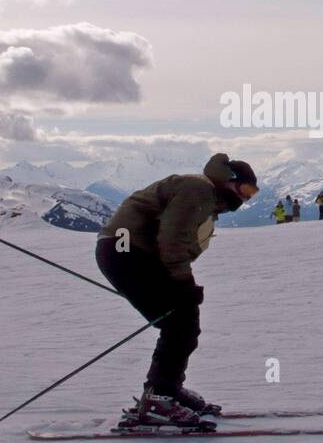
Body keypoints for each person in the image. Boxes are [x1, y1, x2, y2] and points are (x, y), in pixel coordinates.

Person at [95, 152, 258, 427]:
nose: (246, 198)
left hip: (124, 251)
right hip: (126, 252)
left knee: (180, 320)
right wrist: (183, 283)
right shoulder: (199, 190)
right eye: (245, 189)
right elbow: (173, 239)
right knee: (180, 321)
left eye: (252, 193)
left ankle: (164, 392)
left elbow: (173, 240)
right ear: (229, 181)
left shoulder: (204, 194)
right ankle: (159, 398)